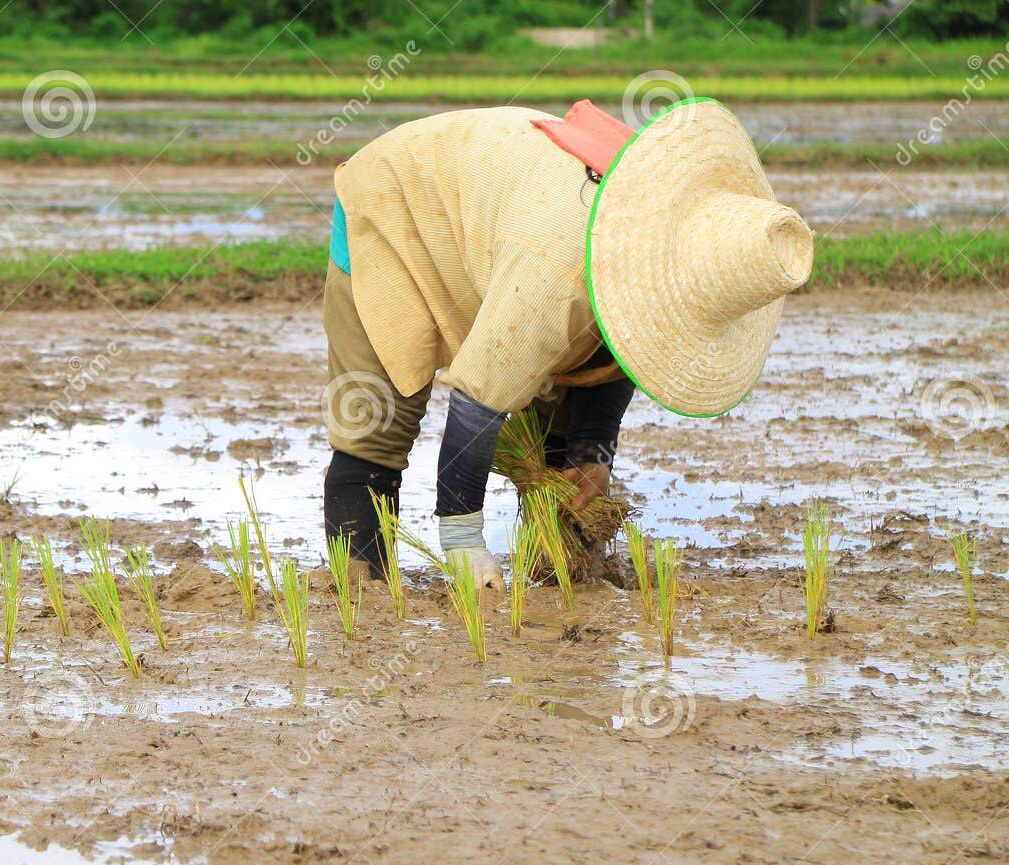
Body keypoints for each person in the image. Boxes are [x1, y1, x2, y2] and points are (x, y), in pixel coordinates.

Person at [321, 99, 813, 591]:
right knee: (378, 426)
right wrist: (463, 537)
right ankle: (361, 586)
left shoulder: (664, 233)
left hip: (507, 222)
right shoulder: (556, 274)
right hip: (399, 204)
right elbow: (477, 401)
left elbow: (625, 352)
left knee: (563, 439)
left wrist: (592, 449)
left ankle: (562, 573)